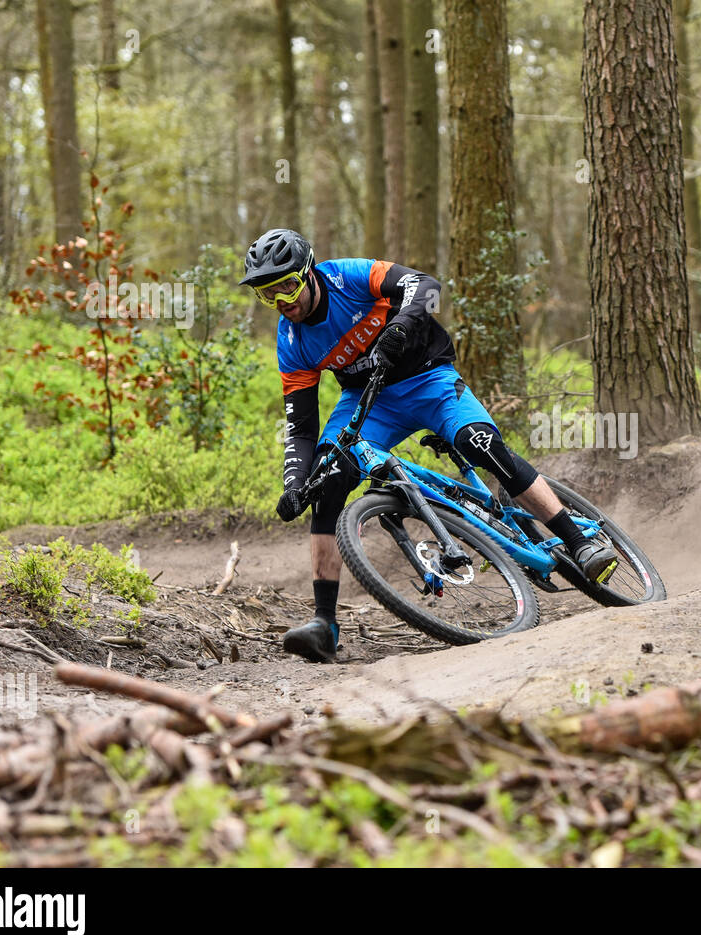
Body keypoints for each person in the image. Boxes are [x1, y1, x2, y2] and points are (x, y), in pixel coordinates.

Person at [239, 228, 617, 663]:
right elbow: (302, 429)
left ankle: (577, 540)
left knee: (481, 444)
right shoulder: (291, 341)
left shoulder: (348, 277)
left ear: (308, 273)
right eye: (268, 295)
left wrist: (398, 328)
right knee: (327, 482)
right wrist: (294, 482)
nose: (283, 301)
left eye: (287, 285)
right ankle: (325, 624)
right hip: (370, 401)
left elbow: (426, 286)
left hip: (428, 379)